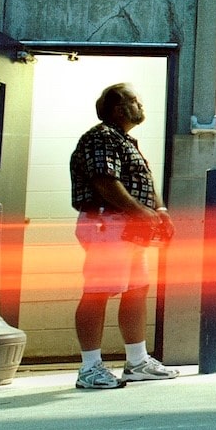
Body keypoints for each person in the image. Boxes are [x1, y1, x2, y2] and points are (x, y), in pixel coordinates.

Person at [68, 84, 178, 390]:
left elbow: (142, 180)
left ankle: (137, 362)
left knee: (136, 290)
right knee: (98, 292)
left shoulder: (124, 140)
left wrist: (160, 210)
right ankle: (90, 368)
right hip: (108, 224)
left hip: (127, 227)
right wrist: (142, 212)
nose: (141, 105)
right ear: (118, 108)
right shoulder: (101, 137)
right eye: (135, 101)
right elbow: (105, 181)